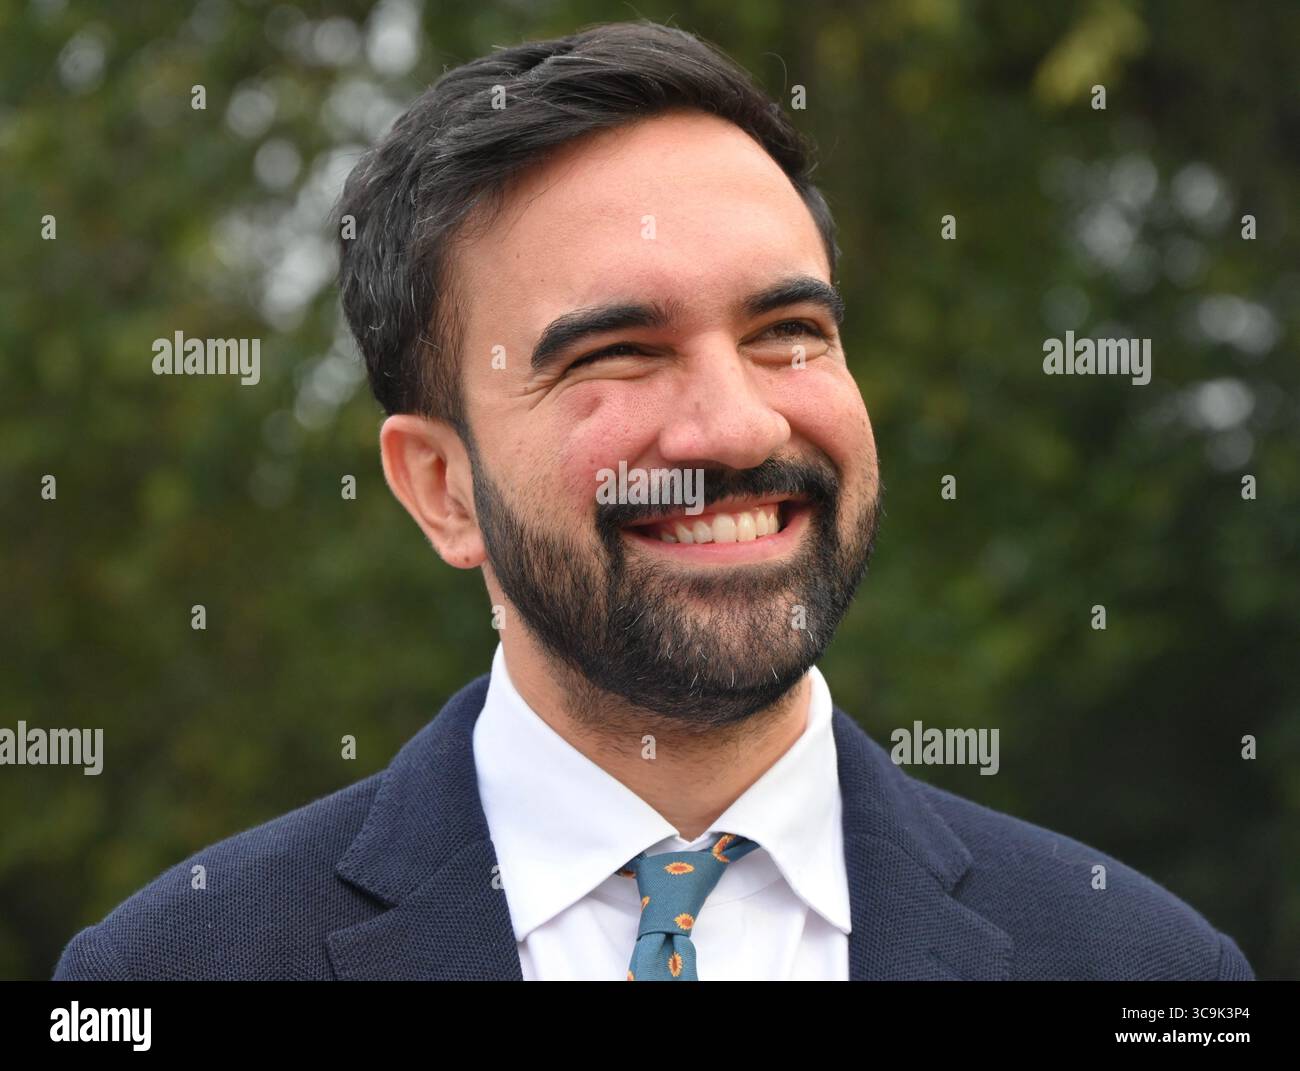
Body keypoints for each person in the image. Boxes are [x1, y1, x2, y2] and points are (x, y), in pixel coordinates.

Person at [53, 19, 1252, 981]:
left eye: (787, 332)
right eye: (616, 353)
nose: (736, 426)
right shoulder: (164, 972)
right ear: (441, 487)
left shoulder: (1145, 968)